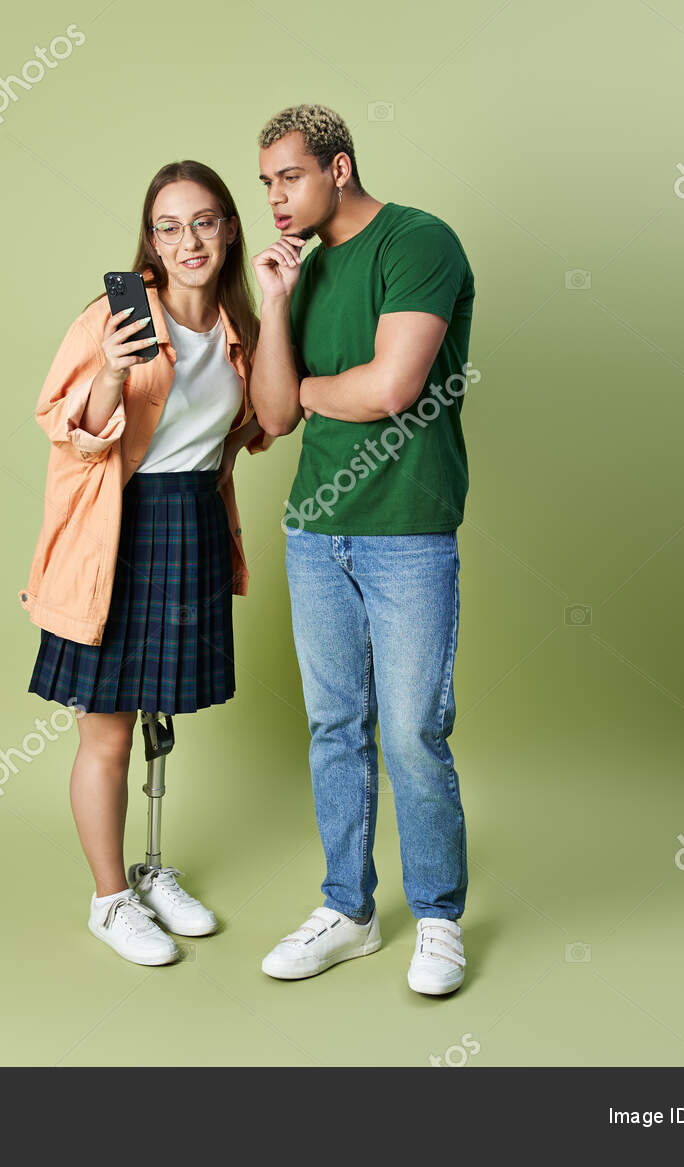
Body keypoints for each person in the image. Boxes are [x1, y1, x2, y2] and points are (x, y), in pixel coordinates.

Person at [248, 105, 477, 995]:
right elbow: (270, 416)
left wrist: (307, 387)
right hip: (314, 530)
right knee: (335, 729)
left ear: (339, 168)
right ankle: (349, 908)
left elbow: (392, 385)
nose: (273, 196)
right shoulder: (298, 271)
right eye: (266, 180)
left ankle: (440, 917)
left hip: (409, 528)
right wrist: (274, 301)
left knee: (414, 732)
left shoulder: (419, 241)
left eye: (290, 176)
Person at [18, 160, 270, 966]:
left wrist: (283, 302)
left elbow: (268, 422)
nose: (188, 240)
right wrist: (115, 369)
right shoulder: (110, 317)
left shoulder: (241, 330)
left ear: (229, 228)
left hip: (191, 523)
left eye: (203, 221)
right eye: (169, 226)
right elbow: (72, 431)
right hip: (116, 532)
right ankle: (110, 898)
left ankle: (154, 868)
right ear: (150, 241)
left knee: (161, 717)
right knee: (109, 735)